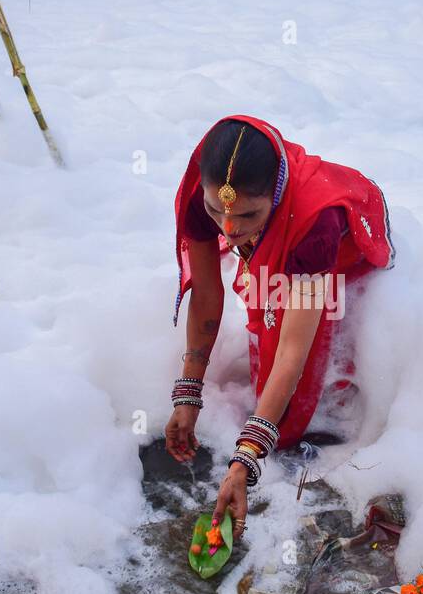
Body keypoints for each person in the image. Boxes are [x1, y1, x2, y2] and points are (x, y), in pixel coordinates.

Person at [165, 115, 396, 542]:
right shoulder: (207, 199)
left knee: (290, 416)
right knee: (265, 327)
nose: (229, 230)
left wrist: (246, 461)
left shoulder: (316, 226)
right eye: (218, 212)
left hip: (339, 258)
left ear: (274, 194)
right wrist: (188, 392)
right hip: (281, 248)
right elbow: (208, 296)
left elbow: (293, 352)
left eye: (247, 214)